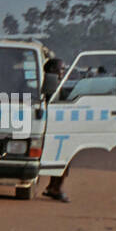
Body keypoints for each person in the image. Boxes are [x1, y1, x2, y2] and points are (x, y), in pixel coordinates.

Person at [41, 57, 71, 202]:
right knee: (63, 158)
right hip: (49, 127)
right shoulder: (49, 86)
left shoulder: (52, 85)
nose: (63, 71)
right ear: (52, 70)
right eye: (61, 68)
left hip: (53, 127)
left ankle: (53, 187)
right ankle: (54, 188)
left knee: (63, 159)